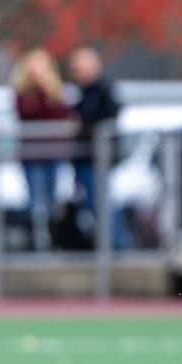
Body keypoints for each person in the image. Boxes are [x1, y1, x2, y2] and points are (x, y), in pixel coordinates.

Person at [11, 49, 74, 252]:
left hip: (53, 155)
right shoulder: (23, 94)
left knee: (54, 201)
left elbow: (62, 114)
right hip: (32, 157)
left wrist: (49, 91)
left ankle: (55, 241)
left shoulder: (56, 92)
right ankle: (39, 244)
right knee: (37, 202)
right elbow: (28, 114)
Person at [65, 46, 125, 248]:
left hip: (97, 158)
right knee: (95, 206)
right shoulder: (82, 94)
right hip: (85, 158)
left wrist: (82, 125)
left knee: (103, 206)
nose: (77, 74)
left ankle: (118, 247)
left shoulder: (102, 92)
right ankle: (110, 247)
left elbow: (107, 119)